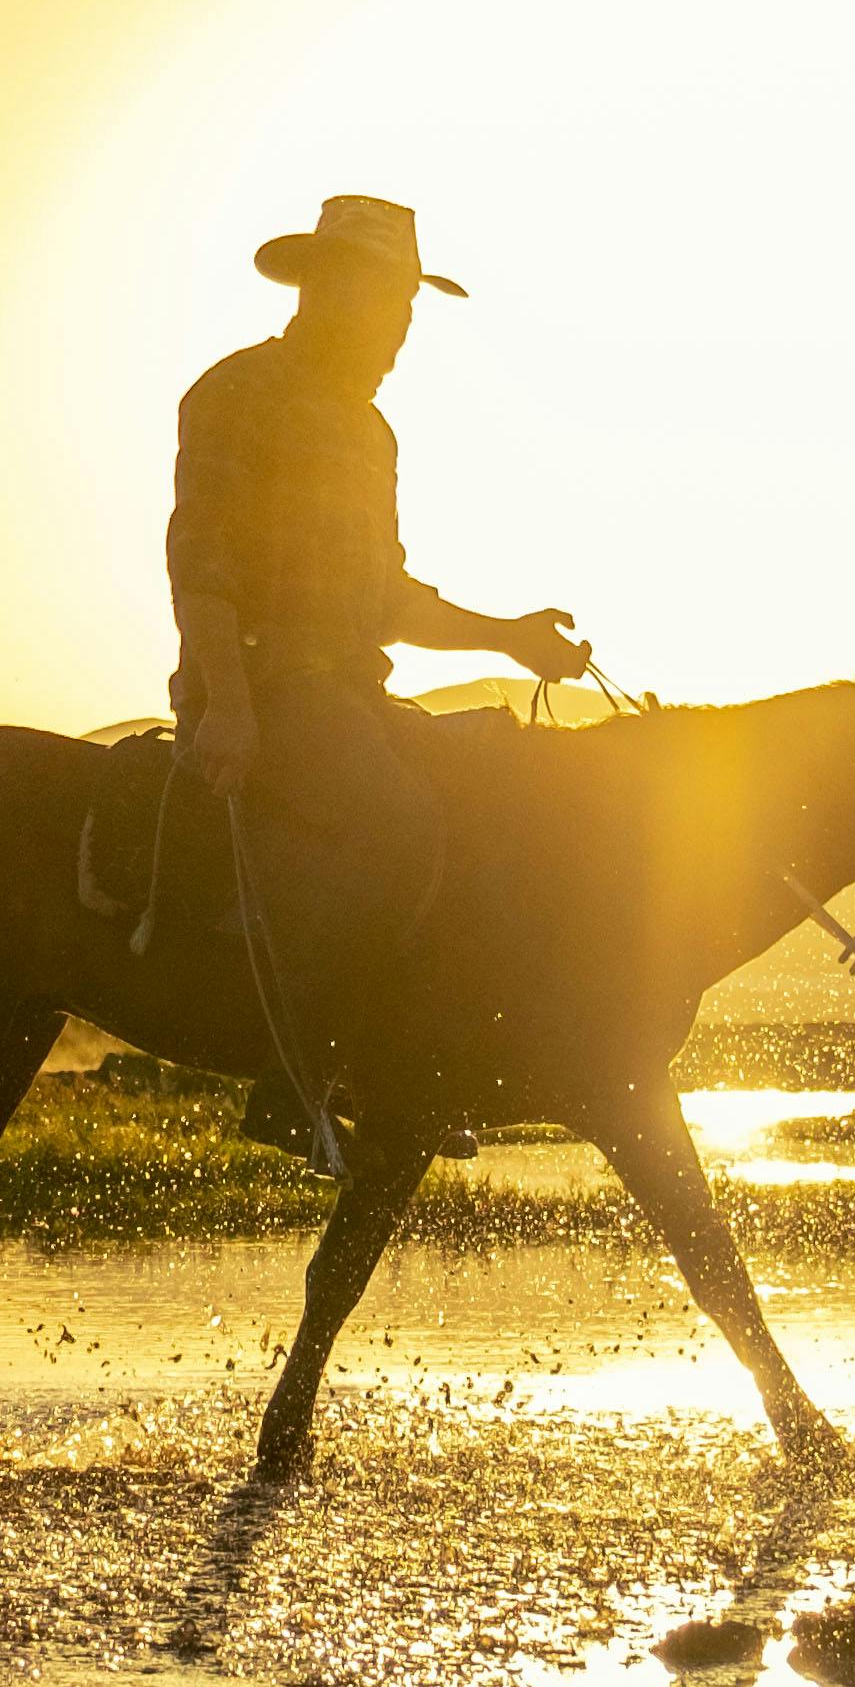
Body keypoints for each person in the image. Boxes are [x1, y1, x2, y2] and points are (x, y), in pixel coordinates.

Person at [165, 193, 590, 1162]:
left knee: (496, 792)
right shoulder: (238, 392)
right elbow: (203, 558)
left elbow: (385, 596)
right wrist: (226, 705)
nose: (398, 330)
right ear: (324, 291)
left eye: (406, 308)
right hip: (268, 690)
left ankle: (423, 1051)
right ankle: (297, 1075)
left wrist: (507, 637)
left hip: (349, 690)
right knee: (397, 821)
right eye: (384, 304)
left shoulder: (367, 429)